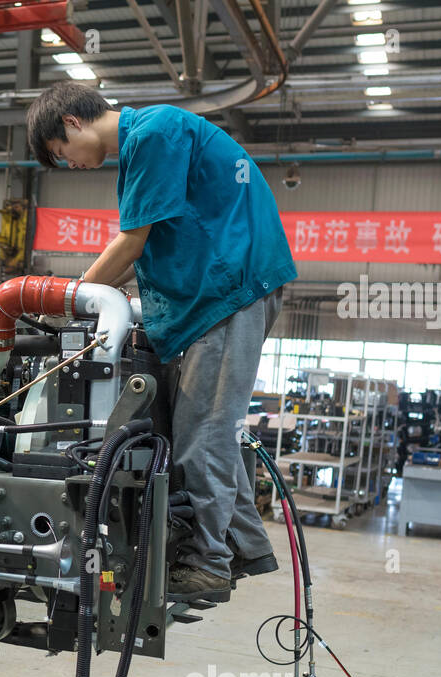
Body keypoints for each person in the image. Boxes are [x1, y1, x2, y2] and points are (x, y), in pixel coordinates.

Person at [26, 81, 297, 603]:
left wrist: (68, 301)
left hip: (227, 293)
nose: (71, 165)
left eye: (62, 154)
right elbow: (155, 245)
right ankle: (241, 546)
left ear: (72, 123)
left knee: (206, 432)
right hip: (207, 300)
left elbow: (133, 240)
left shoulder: (155, 130)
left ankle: (209, 563)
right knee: (196, 431)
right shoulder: (143, 147)